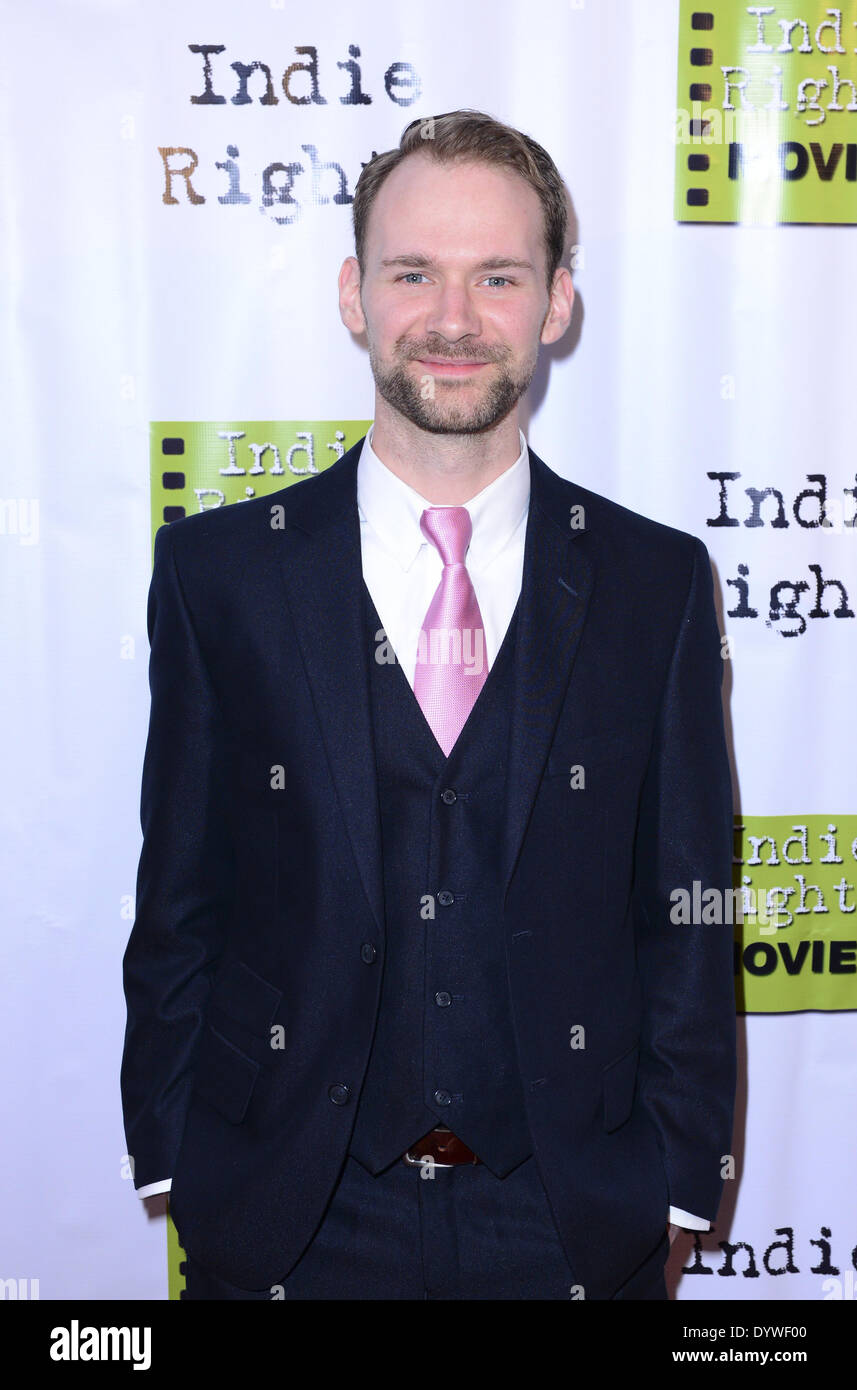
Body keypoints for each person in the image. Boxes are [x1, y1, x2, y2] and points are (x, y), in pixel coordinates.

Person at [121, 109, 736, 1300]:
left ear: (555, 301)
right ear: (354, 293)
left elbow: (686, 907)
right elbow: (179, 892)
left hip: (562, 1214)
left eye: (496, 276)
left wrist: (670, 1177)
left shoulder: (652, 583)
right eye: (413, 273)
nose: (451, 319)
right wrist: (175, 1153)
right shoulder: (220, 574)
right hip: (289, 1211)